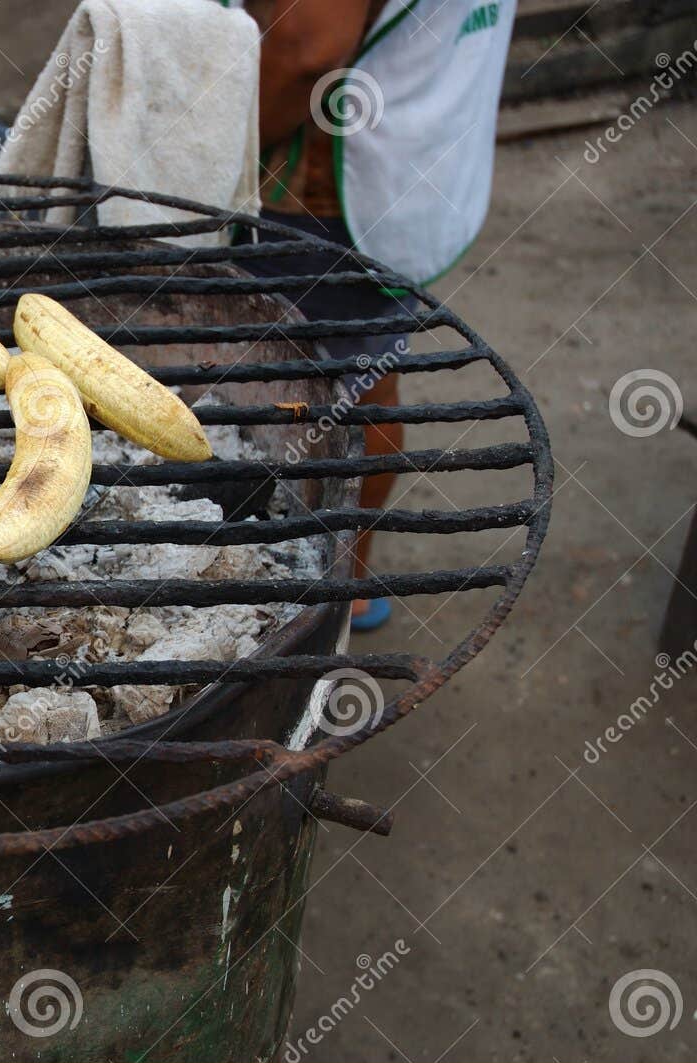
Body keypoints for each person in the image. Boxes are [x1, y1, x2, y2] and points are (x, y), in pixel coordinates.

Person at [228, 0, 515, 629]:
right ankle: (350, 581)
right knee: (363, 376)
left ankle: (288, 596)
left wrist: (220, 145)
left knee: (279, 396)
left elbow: (308, 46)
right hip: (416, 140)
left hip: (318, 179)